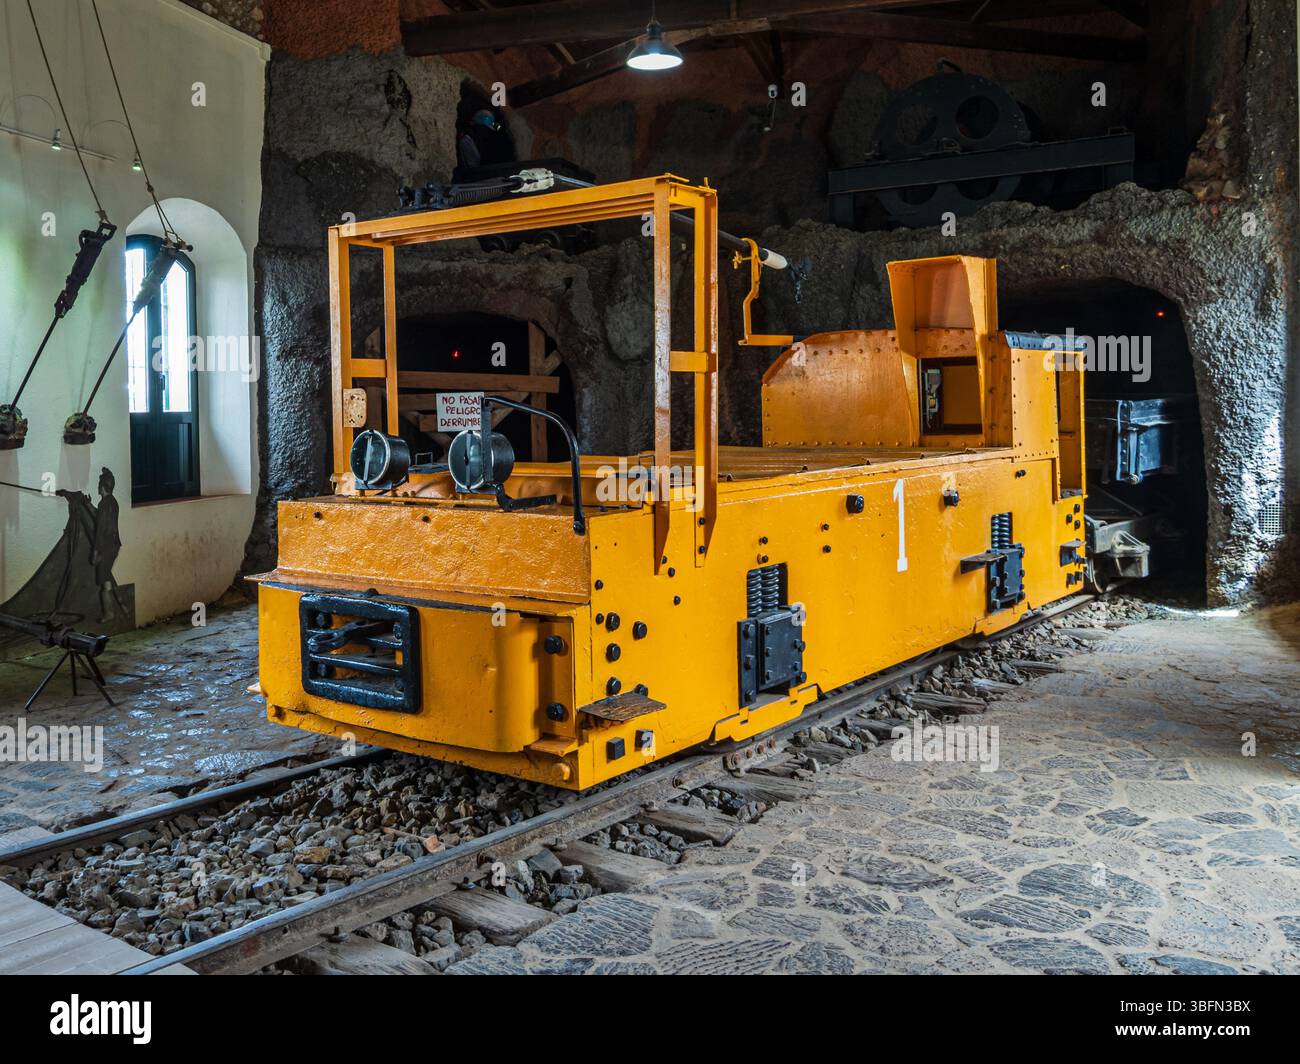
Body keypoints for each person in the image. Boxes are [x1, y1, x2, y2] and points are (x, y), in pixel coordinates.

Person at [90, 467, 121, 623]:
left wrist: (96, 551)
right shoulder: (113, 502)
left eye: (99, 485)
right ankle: (111, 612)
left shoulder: (103, 504)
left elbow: (100, 529)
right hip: (114, 544)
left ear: (102, 487)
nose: (98, 487)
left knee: (104, 578)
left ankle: (109, 613)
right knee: (106, 576)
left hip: (106, 545)